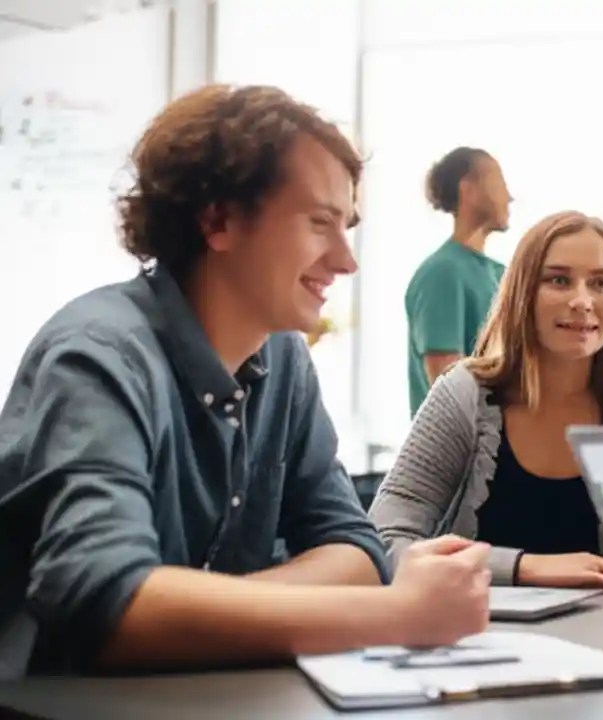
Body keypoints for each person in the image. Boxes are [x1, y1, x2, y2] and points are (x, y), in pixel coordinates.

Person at [0, 85, 491, 679]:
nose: (345, 260)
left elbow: (356, 551)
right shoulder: (100, 357)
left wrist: (193, 607)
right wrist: (395, 615)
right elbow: (103, 602)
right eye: (319, 223)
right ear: (219, 219)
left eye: (347, 227)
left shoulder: (282, 357)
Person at [373, 211, 603, 589]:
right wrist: (522, 567)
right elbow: (384, 541)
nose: (583, 300)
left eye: (601, 283)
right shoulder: (465, 394)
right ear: (523, 293)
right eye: (559, 280)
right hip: (475, 639)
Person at [405, 147, 603, 413]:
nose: (509, 196)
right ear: (468, 190)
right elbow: (447, 387)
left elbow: (592, 269)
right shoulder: (443, 273)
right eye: (498, 181)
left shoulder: (498, 273)